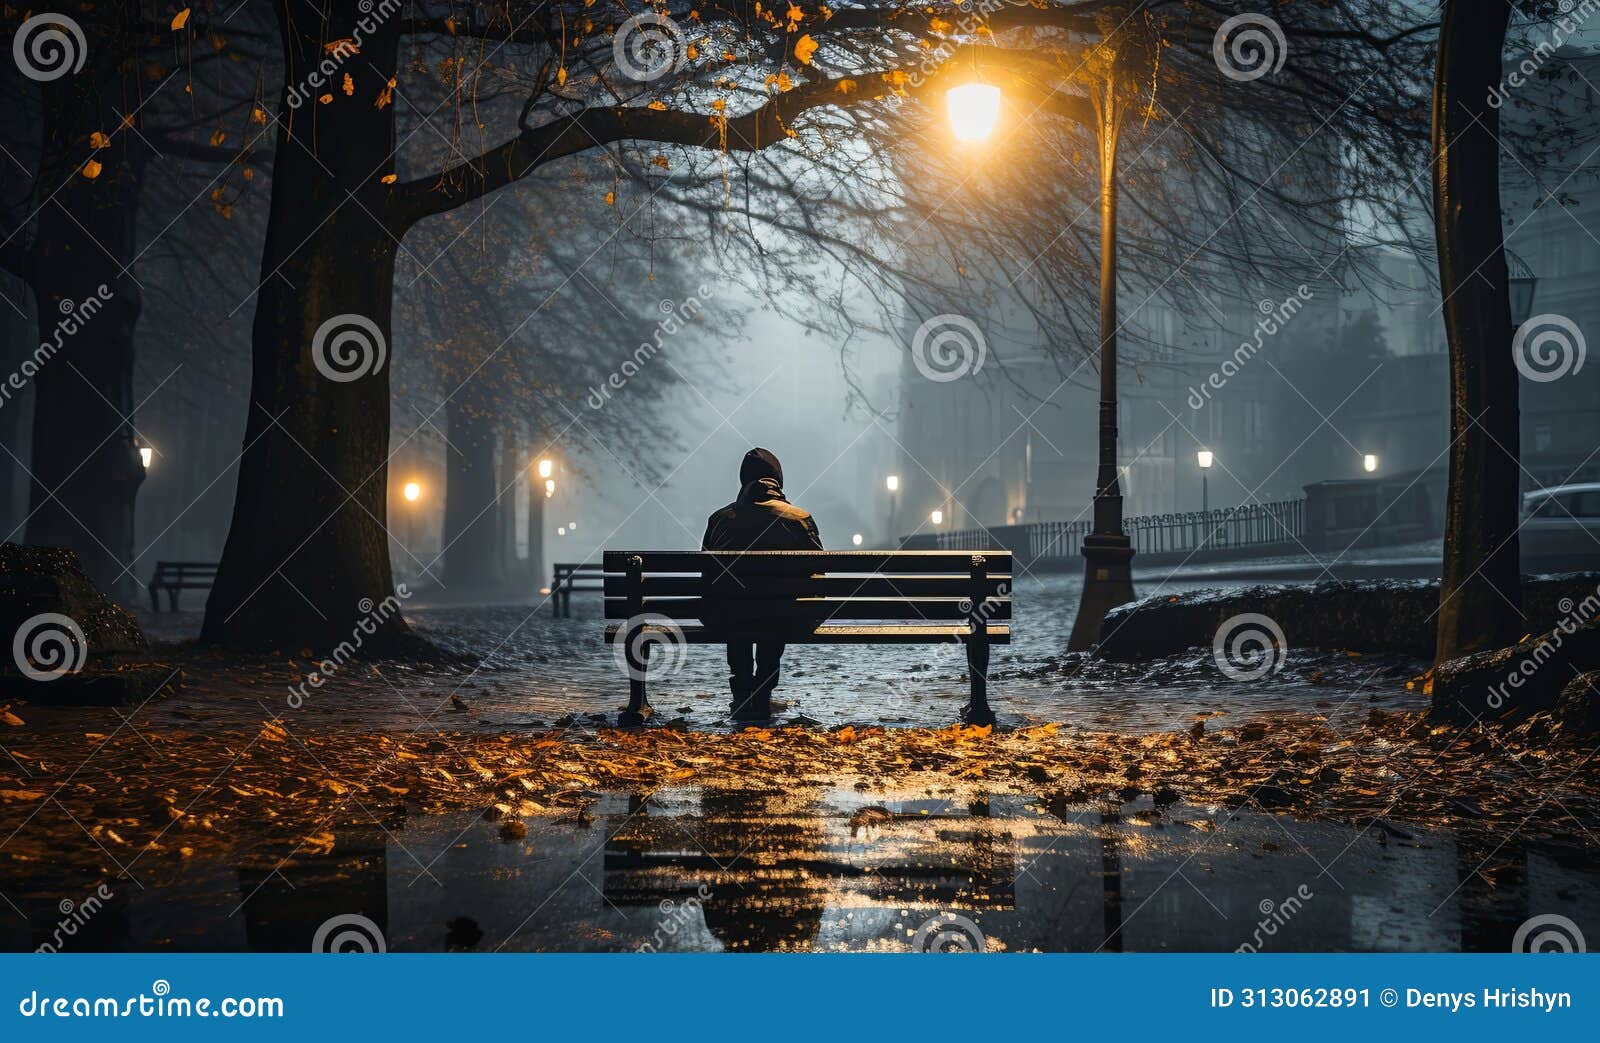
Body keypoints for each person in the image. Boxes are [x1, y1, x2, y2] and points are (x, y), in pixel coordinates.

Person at [701, 448, 822, 720]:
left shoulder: (720, 519)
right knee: (776, 610)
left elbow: (707, 575)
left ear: (744, 480)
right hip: (784, 617)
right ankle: (763, 691)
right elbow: (818, 571)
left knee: (734, 605)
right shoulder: (799, 519)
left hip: (728, 616)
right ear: (777, 480)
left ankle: (743, 690)